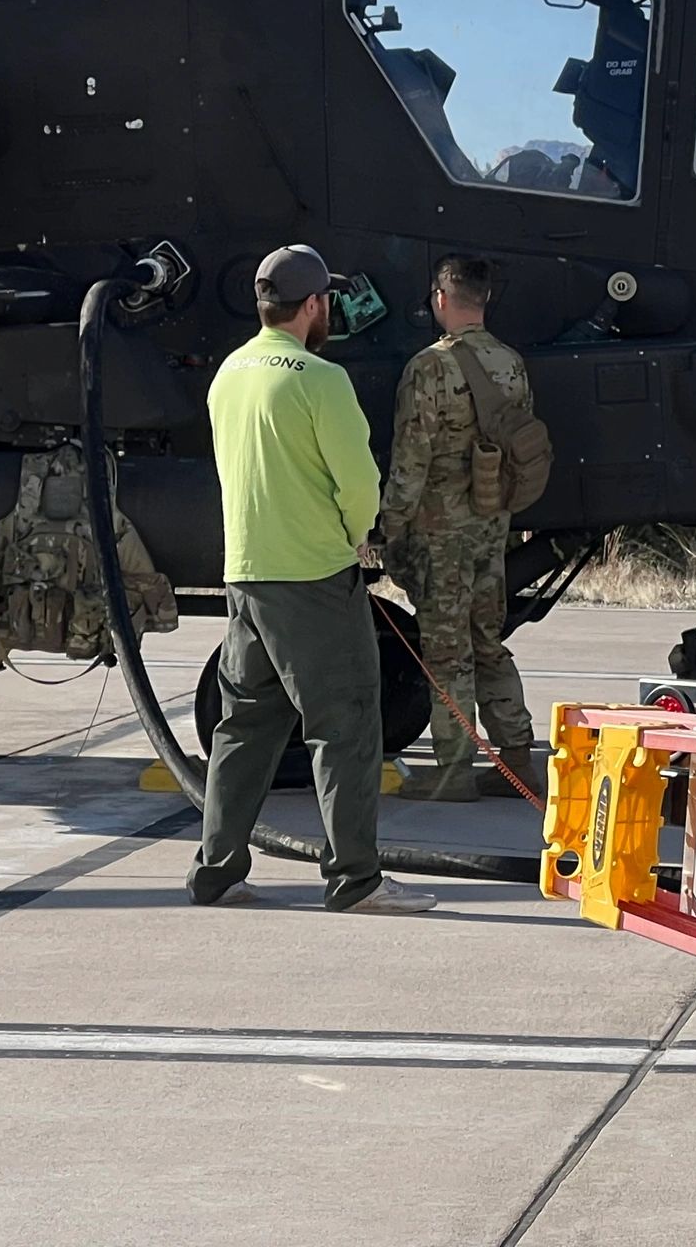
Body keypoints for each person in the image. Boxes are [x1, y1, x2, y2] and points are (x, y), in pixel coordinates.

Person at [191, 244, 435, 914]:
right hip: (313, 577)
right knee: (348, 724)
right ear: (314, 305)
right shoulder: (318, 379)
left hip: (246, 574)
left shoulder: (230, 374)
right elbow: (359, 485)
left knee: (243, 727)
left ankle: (216, 872)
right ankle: (356, 879)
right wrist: (357, 534)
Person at [381, 255, 543, 801]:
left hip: (440, 531)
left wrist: (389, 528)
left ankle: (452, 770)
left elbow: (411, 459)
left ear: (440, 299)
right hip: (491, 525)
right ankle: (517, 756)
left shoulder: (429, 367)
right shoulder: (512, 363)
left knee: (446, 650)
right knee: (487, 639)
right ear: (485, 299)